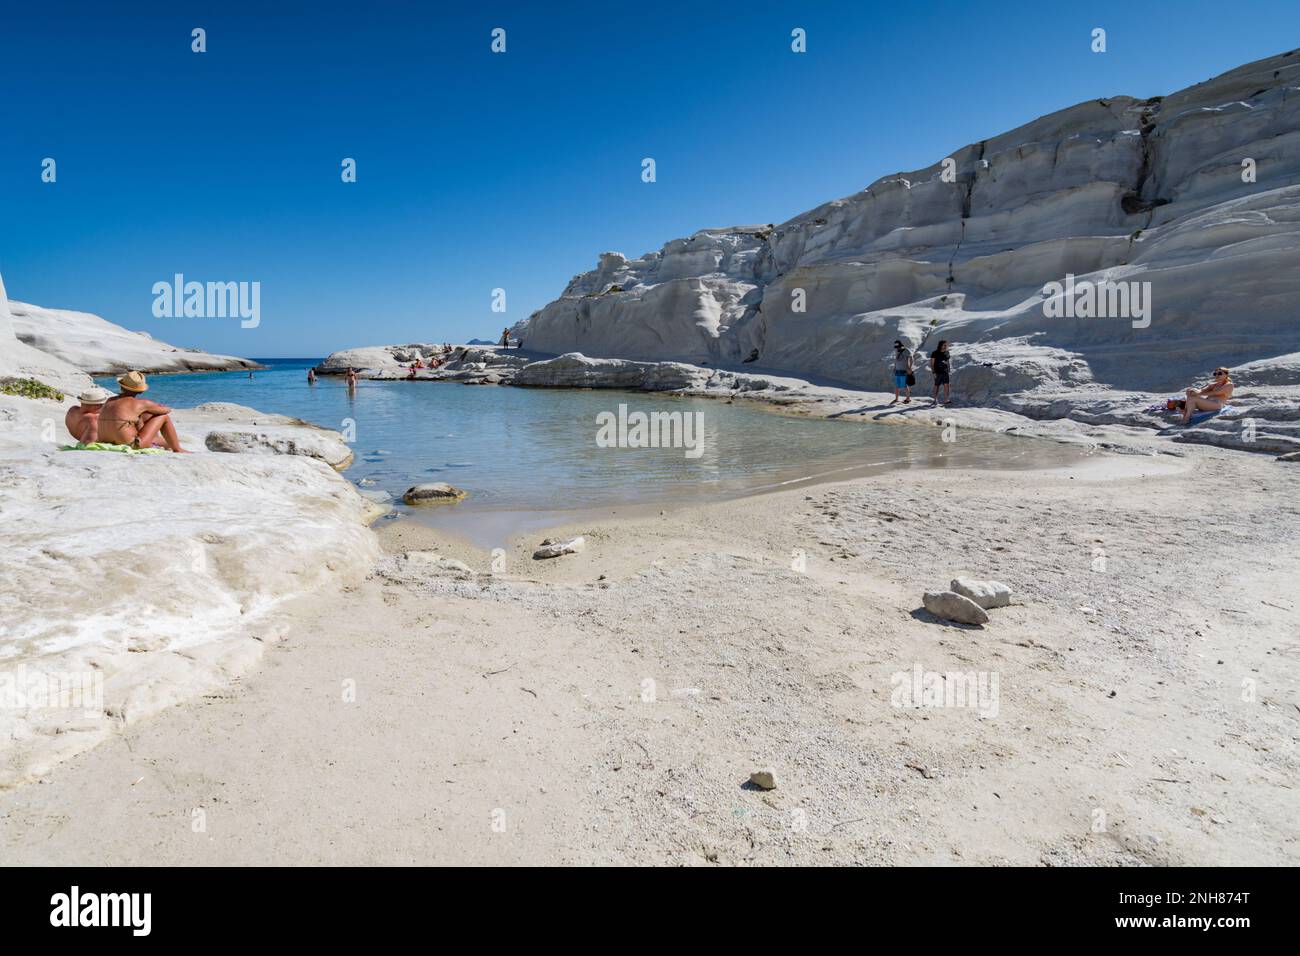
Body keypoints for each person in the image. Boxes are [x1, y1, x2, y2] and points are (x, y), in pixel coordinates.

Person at [97, 371, 188, 452]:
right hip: (132, 445)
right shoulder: (141, 403)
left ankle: (166, 444)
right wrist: (151, 409)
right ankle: (177, 449)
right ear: (140, 391)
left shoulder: (110, 400)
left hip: (105, 441)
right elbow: (167, 410)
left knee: (142, 417)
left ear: (122, 386)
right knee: (163, 417)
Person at [888, 340, 913, 405]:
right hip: (897, 370)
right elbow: (896, 360)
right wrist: (894, 367)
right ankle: (896, 399)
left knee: (904, 385)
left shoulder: (906, 350)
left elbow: (911, 358)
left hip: (904, 371)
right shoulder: (897, 351)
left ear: (901, 346)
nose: (897, 348)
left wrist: (910, 367)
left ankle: (908, 398)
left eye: (898, 347)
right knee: (897, 385)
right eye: (896, 347)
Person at [928, 340, 952, 405]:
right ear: (940, 345)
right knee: (936, 386)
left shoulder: (947, 352)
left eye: (946, 345)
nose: (946, 346)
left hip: (945, 372)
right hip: (937, 372)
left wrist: (949, 370)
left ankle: (946, 399)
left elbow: (948, 361)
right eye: (944, 345)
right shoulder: (935, 353)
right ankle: (935, 399)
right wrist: (933, 372)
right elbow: (932, 363)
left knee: (947, 385)